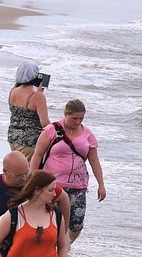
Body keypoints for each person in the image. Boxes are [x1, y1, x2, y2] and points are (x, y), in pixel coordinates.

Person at [30, 99, 104, 245]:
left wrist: (101, 184)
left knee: (76, 225)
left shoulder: (88, 135)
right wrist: (32, 180)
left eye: (81, 118)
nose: (77, 122)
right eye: (74, 118)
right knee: (51, 220)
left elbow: (94, 161)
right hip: (53, 186)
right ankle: (49, 248)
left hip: (78, 187)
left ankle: (64, 246)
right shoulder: (51, 130)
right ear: (65, 114)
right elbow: (37, 155)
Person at [7, 61, 51, 152]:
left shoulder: (13, 90)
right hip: (30, 142)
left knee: (17, 165)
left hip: (13, 137)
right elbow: (45, 124)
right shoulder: (37, 96)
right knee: (30, 166)